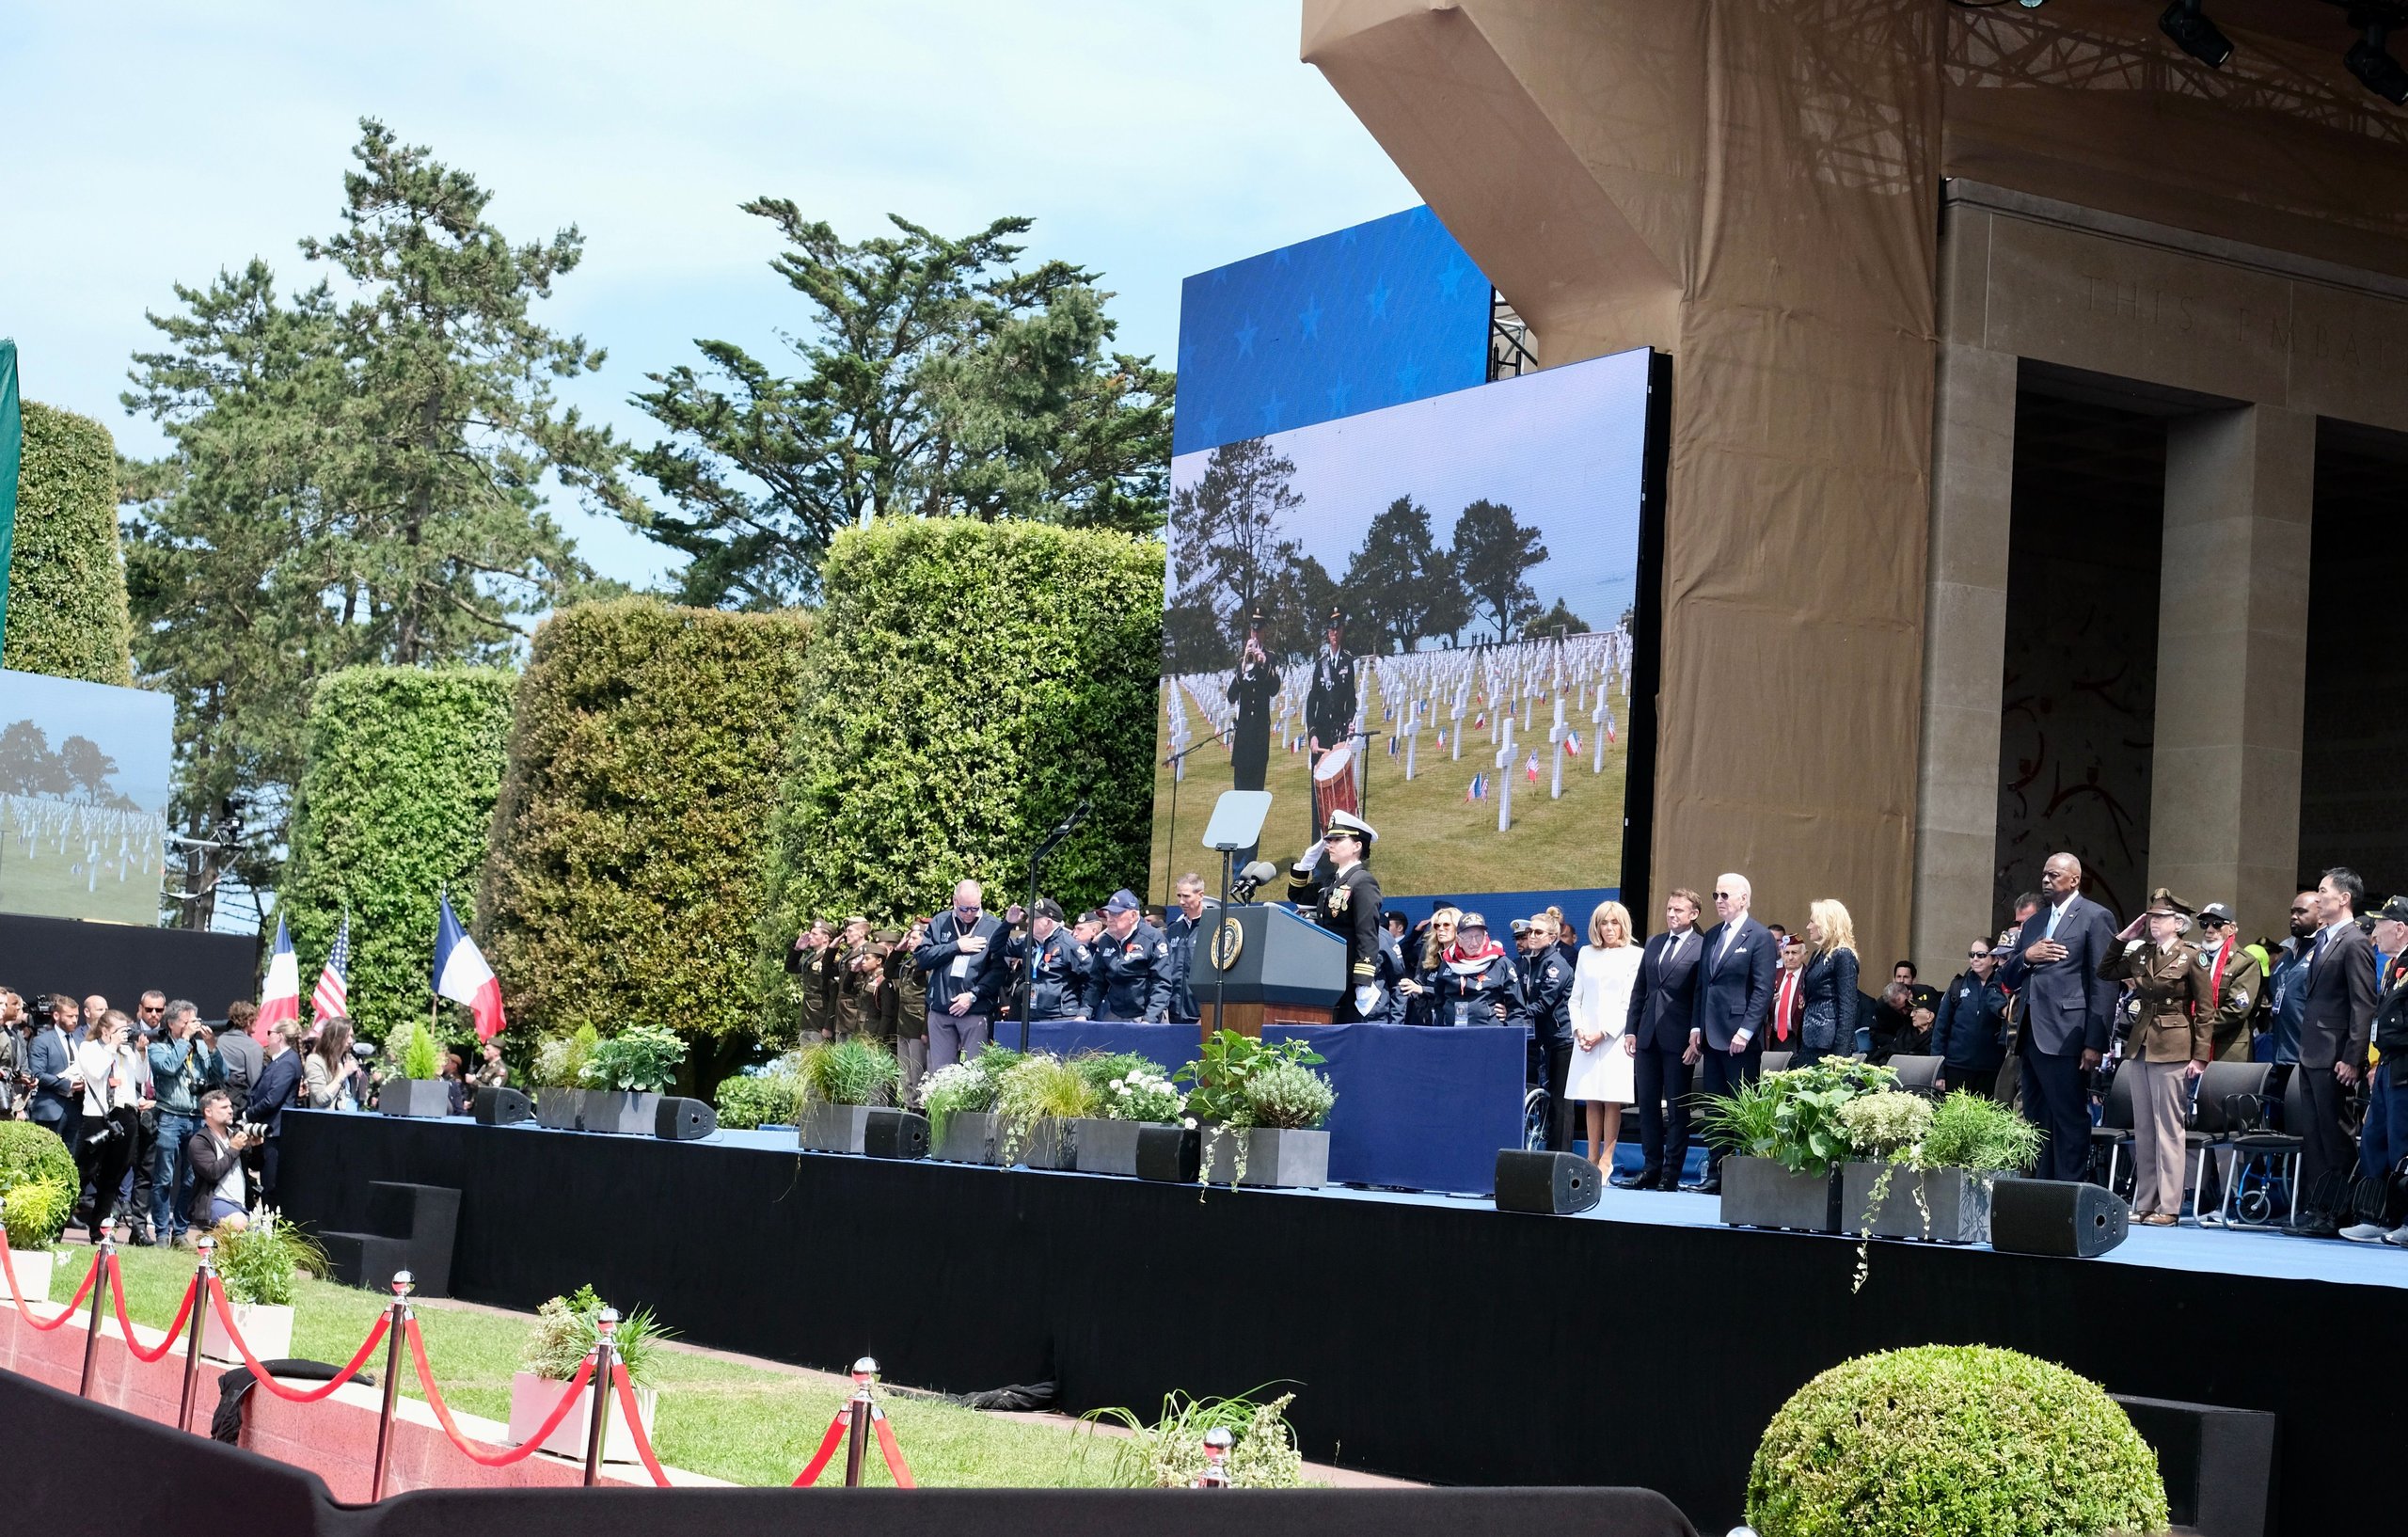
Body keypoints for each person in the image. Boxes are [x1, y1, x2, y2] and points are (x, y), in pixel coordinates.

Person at [1999, 852, 2122, 1183]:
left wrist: (2095, 1042)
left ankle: (2067, 1190)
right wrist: (2027, 955)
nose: (2046, 880)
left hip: (2069, 1034)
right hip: (2030, 1033)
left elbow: (2104, 983)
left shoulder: (2096, 917)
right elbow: (2008, 978)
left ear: (2074, 879)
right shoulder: (2036, 922)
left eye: (2054, 875)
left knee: (2068, 1117)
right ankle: (2042, 1188)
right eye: (2044, 875)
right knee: (2038, 1117)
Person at [2096, 888, 2212, 1227]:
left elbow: (2205, 1011)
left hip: (2174, 1043)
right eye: (2151, 917)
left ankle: (2171, 1205)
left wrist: (2200, 1056)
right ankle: (2145, 1201)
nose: (2152, 922)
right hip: (2141, 1043)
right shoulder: (2142, 952)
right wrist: (2122, 937)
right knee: (2144, 1127)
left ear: (2178, 923)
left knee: (2169, 1129)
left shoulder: (2192, 955)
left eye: (2160, 918)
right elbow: (2105, 970)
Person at [2290, 866, 2377, 1236]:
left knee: (2335, 1136)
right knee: (2314, 1135)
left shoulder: (2355, 942)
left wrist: (2353, 1057)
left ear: (2344, 898)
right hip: (2312, 1051)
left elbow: (2363, 1004)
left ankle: (2338, 1210)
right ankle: (2317, 1207)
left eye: (2324, 891)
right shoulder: (2323, 940)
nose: (2318, 896)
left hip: (2334, 1055)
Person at [1687, 873, 1775, 1193]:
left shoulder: (1759, 936)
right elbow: (1702, 986)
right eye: (1716, 895)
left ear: (1744, 899)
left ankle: (1743, 1174)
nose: (1719, 901)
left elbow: (1763, 990)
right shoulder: (1711, 935)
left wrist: (1747, 1030)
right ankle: (1716, 1172)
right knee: (1714, 1107)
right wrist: (1697, 1026)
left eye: (1725, 895)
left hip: (1740, 1039)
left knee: (1743, 1108)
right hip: (1711, 1037)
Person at [1619, 888, 1704, 1191]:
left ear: (1693, 914)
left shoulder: (1701, 946)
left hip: (1679, 1039)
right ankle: (1651, 1168)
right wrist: (1631, 1029)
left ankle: (1671, 1173)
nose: (1671, 914)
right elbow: (1640, 990)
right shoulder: (1655, 942)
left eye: (1678, 910)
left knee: (1678, 1109)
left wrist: (1697, 1037)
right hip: (1647, 1037)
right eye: (1669, 909)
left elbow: (1700, 996)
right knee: (1648, 1106)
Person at [2348, 896, 2408, 1244]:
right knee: (2374, 1140)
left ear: (2399, 929)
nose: (2375, 932)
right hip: (2386, 1065)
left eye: (2381, 924)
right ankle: (2375, 1214)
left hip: (2405, 1068)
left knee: (2403, 1145)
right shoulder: (2390, 966)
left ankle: (2404, 1220)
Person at [1286, 811, 1385, 1021]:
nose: (1330, 844)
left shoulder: (1362, 881)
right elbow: (1297, 895)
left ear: (1357, 846)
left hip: (1346, 976)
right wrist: (1306, 863)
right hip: (1327, 973)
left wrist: (1362, 980)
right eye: (1329, 840)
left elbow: (1367, 934)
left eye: (1338, 839)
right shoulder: (1332, 881)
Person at [1566, 900, 1640, 1172]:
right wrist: (1580, 1031)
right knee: (1590, 1098)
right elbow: (1575, 999)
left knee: (1611, 1098)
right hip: (1585, 1038)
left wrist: (1604, 1032)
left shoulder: (1635, 955)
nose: (1609, 928)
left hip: (1614, 1037)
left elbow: (1629, 1002)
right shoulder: (1586, 953)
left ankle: (1607, 1160)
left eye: (1614, 922)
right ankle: (1591, 1158)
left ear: (1623, 925)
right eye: (1603, 922)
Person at [147, 1000, 224, 1245]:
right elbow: (168, 1068)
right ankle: (161, 1232)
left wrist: (212, 1049)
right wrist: (184, 1041)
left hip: (196, 1119)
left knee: (191, 1179)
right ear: (171, 1024)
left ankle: (179, 1232)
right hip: (169, 1116)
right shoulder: (158, 1048)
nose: (192, 1026)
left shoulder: (200, 1047)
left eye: (194, 1021)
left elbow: (221, 1076)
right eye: (187, 1022)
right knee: (164, 1178)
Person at [916, 880, 1010, 1070]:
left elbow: (999, 970)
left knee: (975, 1072)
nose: (969, 913)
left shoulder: (993, 925)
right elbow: (923, 958)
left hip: (975, 1010)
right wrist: (955, 946)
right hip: (941, 1010)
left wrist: (973, 995)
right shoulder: (941, 921)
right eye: (964, 908)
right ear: (955, 901)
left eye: (974, 908)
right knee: (941, 1074)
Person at [72, 1010, 146, 1237]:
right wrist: (111, 1047)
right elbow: (95, 1073)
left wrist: (142, 1053)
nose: (124, 1036)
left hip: (126, 1114)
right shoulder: (89, 1048)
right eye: (119, 1031)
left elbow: (141, 1078)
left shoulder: (127, 1051)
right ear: (105, 1031)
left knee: (114, 1174)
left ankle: (99, 1228)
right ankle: (59, 1221)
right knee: (85, 1170)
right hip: (98, 1115)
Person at [1515, 912, 1576, 1150]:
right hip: (1540, 1039)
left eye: (1538, 932)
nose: (1531, 936)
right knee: (1548, 1098)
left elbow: (1542, 1004)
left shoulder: (1556, 965)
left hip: (1562, 1040)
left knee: (1561, 1101)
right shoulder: (1530, 961)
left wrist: (1513, 1014)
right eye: (1530, 931)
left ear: (1552, 937)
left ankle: (1560, 1155)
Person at [2182, 902, 2263, 1063]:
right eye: (2205, 924)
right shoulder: (2195, 957)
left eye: (2217, 924)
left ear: (2231, 929)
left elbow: (2236, 1010)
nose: (2210, 930)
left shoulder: (2244, 962)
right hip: (2192, 1044)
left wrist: (2198, 1027)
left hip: (2227, 1049)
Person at [1931, 938, 2009, 1098]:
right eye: (1971, 954)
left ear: (1994, 959)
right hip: (1957, 1067)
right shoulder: (1957, 986)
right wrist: (1938, 1071)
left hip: (1991, 1068)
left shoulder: (2004, 987)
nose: (1974, 959)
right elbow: (1940, 1030)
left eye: (1981, 955)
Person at [1304, 608, 1358, 837]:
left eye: (1337, 628)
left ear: (1342, 630)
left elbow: (1351, 701)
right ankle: (1319, 853)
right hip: (1322, 737)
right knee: (1320, 800)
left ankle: (1341, 851)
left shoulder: (1348, 661)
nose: (1334, 632)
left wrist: (1350, 723)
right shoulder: (1321, 664)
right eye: (1330, 629)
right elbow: (1311, 703)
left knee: (1340, 796)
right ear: (1327, 633)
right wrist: (1313, 735)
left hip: (1339, 738)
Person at [1085, 890, 1176, 1022]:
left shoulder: (1153, 939)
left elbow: (1162, 983)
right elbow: (1096, 983)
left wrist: (1149, 1019)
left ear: (1133, 915)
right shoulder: (1105, 941)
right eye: (1108, 913)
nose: (1110, 919)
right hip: (1115, 1016)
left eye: (1116, 914)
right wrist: (1084, 1012)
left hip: (1147, 1015)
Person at [1425, 911, 1521, 1030]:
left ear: (1486, 937)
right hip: (1452, 1035)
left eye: (1478, 936)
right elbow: (1439, 1001)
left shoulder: (1501, 963)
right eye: (1468, 937)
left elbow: (1517, 1008)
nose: (1474, 943)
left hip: (1490, 1035)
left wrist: (1508, 1034)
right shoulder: (1448, 963)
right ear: (1459, 940)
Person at [1796, 900, 1861, 1070]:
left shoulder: (1843, 955)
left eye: (1813, 921)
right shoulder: (1818, 954)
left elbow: (1848, 1007)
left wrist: (1840, 1055)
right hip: (1811, 1039)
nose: (1808, 926)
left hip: (1829, 1044)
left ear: (1827, 924)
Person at [183, 1089, 256, 1233]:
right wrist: (234, 1149)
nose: (230, 1111)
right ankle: (210, 1244)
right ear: (208, 1112)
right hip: (214, 1202)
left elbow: (257, 1165)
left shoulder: (235, 1134)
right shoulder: (199, 1141)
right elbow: (212, 1173)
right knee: (238, 1223)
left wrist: (257, 1146)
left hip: (240, 1204)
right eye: (224, 1108)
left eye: (230, 1106)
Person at [247, 1022, 305, 1201]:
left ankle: (271, 1226)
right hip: (269, 1128)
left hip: (276, 1131)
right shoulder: (279, 1060)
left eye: (269, 1033)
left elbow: (272, 1099)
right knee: (266, 1181)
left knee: (270, 1184)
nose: (267, 1037)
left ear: (279, 1036)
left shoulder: (287, 1062)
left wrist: (247, 1114)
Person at [2262, 892, 2320, 1069]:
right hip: (2279, 1054)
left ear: (2321, 916)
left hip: (2307, 1059)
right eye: (2292, 911)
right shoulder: (2287, 956)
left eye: (2302, 912)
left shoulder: (2324, 953)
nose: (2294, 917)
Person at [1010, 899, 1091, 1022]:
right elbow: (997, 946)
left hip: (1062, 1017)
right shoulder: (1029, 941)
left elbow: (1092, 980)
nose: (1027, 921)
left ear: (1047, 922)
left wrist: (1084, 1012)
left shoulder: (1069, 945)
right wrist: (1007, 923)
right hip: (1032, 1015)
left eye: (1034, 918)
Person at [25, 994, 83, 1156]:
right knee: (48, 1156)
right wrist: (68, 1084)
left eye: (76, 1016)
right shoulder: (42, 1041)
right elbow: (37, 1074)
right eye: (70, 1016)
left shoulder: (79, 1041)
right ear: (56, 1016)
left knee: (72, 1158)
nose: (74, 1020)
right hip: (51, 1108)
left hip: (76, 1107)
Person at [1227, 612, 1277, 796]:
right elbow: (1231, 696)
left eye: (1259, 630)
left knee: (1256, 791)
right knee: (1240, 790)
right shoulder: (1242, 661)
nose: (1255, 635)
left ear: (1264, 632)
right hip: (1243, 735)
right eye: (1253, 631)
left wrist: (1263, 664)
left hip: (1260, 735)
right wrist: (1241, 671)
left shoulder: (1270, 658)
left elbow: (1274, 689)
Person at [887, 918, 931, 1097]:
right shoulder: (908, 964)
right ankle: (908, 1104)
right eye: (910, 938)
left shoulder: (927, 964)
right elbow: (889, 972)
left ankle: (918, 1108)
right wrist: (899, 949)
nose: (910, 941)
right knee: (905, 1071)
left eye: (914, 938)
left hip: (918, 1023)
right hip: (904, 1023)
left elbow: (930, 998)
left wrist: (926, 1029)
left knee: (918, 1071)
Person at [1164, 875, 1216, 1023]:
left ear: (1201, 895)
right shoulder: (1173, 929)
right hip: (1172, 1015)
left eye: (1186, 896)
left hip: (1201, 1016)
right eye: (1179, 896)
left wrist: (1207, 1014)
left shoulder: (1214, 927)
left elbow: (1218, 975)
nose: (1181, 901)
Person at [1395, 907, 1460, 1027]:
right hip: (1427, 1017)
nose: (1441, 929)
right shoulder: (1429, 950)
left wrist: (1422, 990)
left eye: (1446, 925)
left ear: (1457, 927)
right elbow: (1419, 981)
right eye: (1437, 926)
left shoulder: (1465, 955)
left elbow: (1456, 990)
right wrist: (1407, 988)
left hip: (1453, 1018)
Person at [785, 920, 837, 1042]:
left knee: (819, 1058)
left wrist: (828, 1025)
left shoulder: (832, 959)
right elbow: (790, 967)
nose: (810, 936)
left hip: (821, 1018)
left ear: (825, 938)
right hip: (807, 1018)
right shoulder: (811, 958)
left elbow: (834, 994)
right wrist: (797, 949)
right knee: (807, 1058)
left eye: (815, 934)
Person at [303, 1018, 364, 1111]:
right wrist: (343, 1074)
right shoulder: (315, 1061)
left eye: (352, 1036)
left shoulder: (349, 1060)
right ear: (335, 1038)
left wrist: (362, 1087)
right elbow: (321, 1099)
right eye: (347, 1036)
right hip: (327, 1121)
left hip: (349, 1121)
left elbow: (354, 1100)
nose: (351, 1041)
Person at [1866, 982, 1933, 1064]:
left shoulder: (1926, 995)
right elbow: (1875, 1033)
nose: (1905, 1012)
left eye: (1906, 1006)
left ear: (1910, 994)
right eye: (1899, 1010)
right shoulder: (1882, 1007)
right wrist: (1897, 1041)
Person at [217, 1001, 264, 1116]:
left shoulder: (221, 1040)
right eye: (255, 1020)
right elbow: (255, 1082)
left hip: (217, 1098)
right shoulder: (253, 1046)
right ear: (249, 1021)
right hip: (239, 1103)